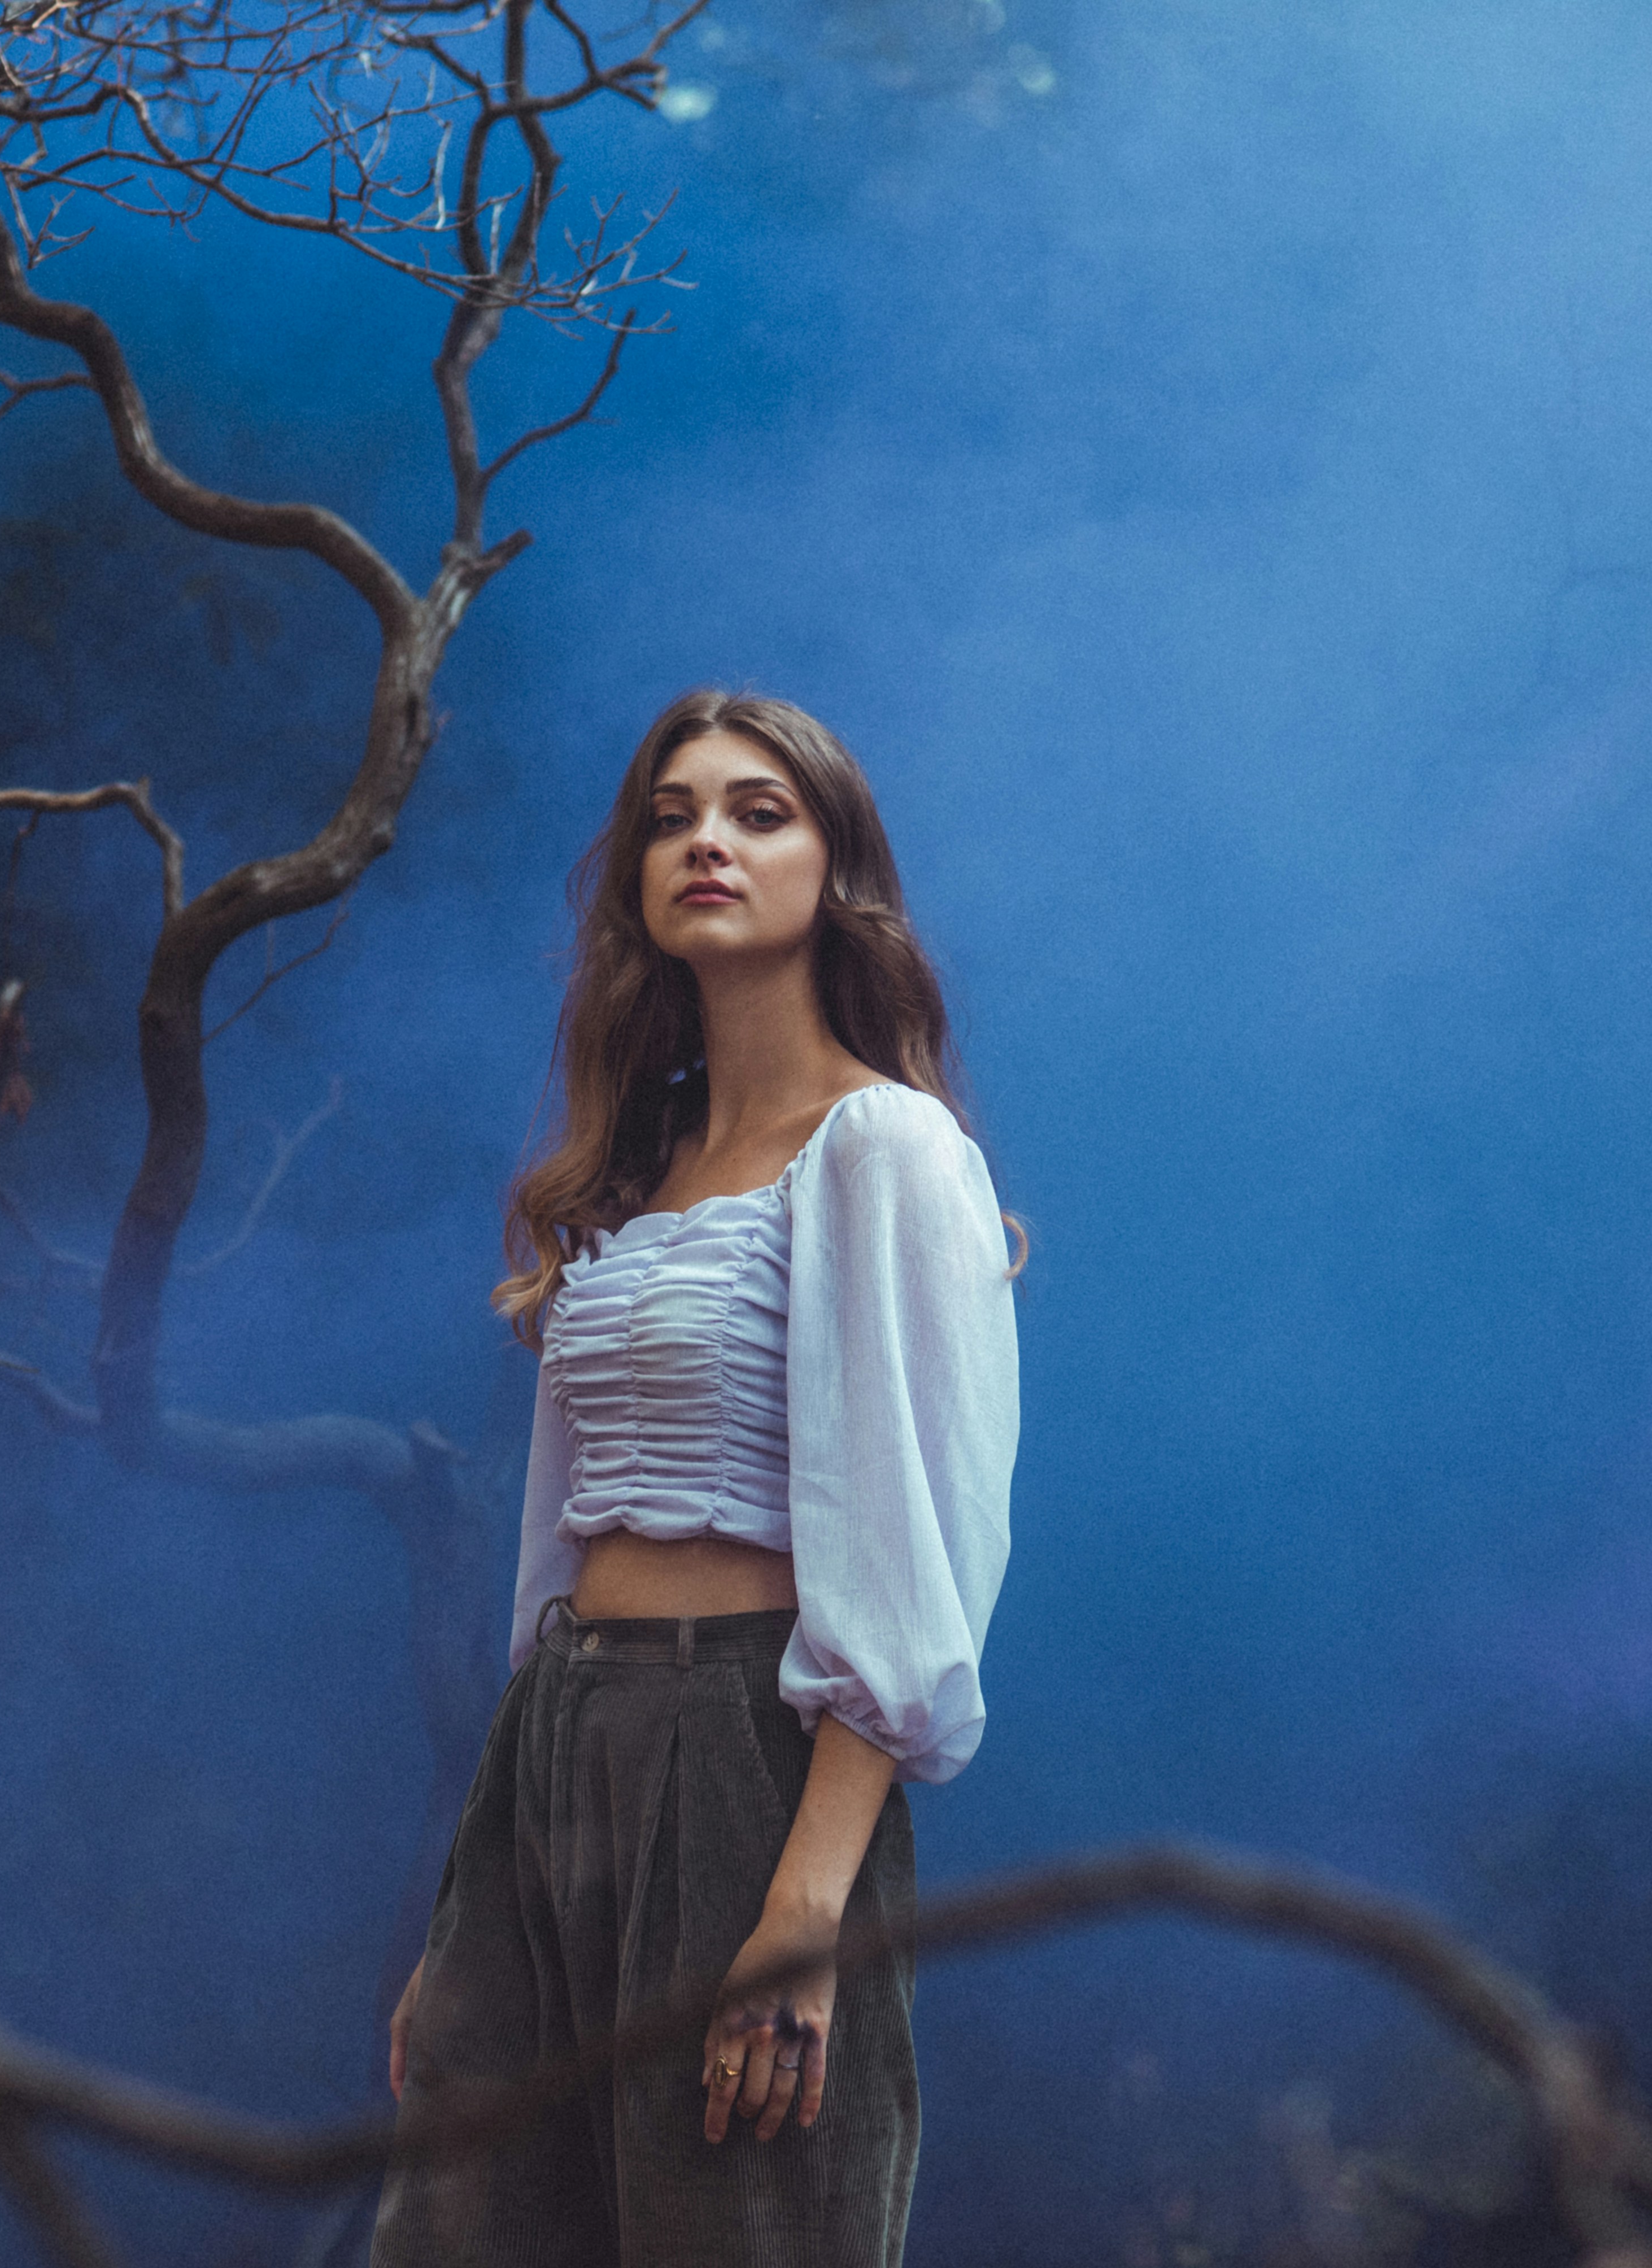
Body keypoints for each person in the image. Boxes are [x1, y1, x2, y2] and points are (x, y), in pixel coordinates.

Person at [370, 689, 1021, 2268]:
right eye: (671, 817)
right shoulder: (631, 1176)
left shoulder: (886, 1149)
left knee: (737, 2227)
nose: (706, 843)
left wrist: (803, 1916)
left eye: (757, 812)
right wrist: (479, 1902)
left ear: (835, 871)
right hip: (561, 1743)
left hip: (752, 1751)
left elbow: (920, 1556)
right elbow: (558, 1552)